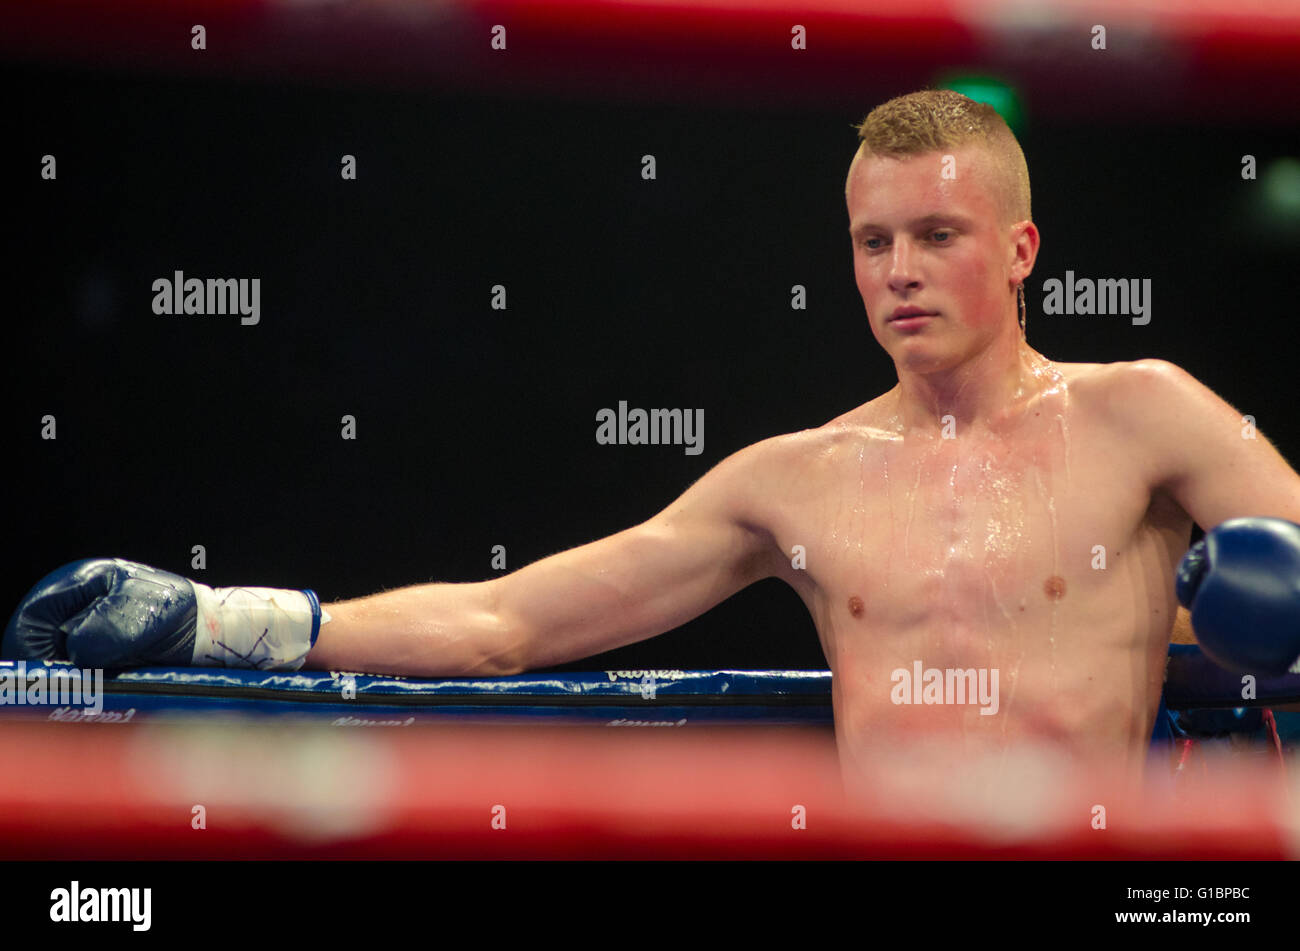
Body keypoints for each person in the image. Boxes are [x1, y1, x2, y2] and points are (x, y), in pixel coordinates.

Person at [8, 91, 1300, 778]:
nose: (899, 271)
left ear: (1019, 251)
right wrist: (229, 622)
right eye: (871, 241)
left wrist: (1232, 623)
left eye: (936, 236)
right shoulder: (797, 479)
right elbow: (510, 624)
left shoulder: (1145, 413)